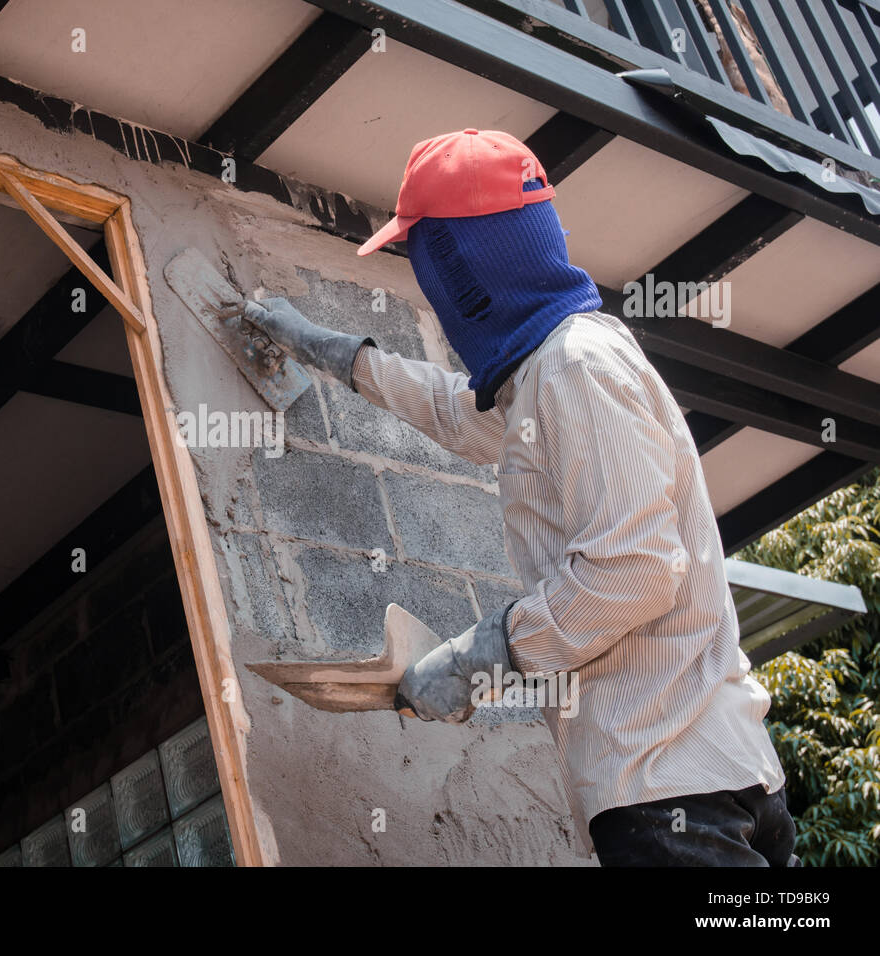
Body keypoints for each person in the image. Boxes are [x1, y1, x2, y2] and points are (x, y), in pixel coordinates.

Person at [240, 128, 796, 867]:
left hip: (667, 792)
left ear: (461, 264)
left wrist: (483, 655)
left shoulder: (575, 368)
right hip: (713, 777)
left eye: (424, 257)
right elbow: (451, 410)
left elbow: (633, 571)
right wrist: (330, 348)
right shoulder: (559, 366)